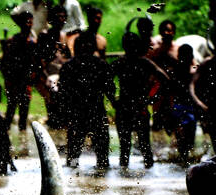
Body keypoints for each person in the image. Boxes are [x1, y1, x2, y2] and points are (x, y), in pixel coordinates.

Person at [113, 31, 166, 168]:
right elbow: (164, 79)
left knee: (131, 147)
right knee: (141, 146)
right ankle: (148, 179)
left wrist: (113, 100)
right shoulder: (140, 63)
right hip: (134, 108)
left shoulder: (135, 63)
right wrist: (152, 98)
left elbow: (104, 82)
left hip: (133, 108)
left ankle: (125, 179)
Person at [60, 39, 112, 169]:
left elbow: (63, 93)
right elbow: (110, 89)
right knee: (103, 161)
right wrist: (115, 104)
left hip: (77, 115)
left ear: (76, 49)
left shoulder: (68, 66)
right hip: (97, 114)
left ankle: (72, 186)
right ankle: (102, 182)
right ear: (93, 49)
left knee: (72, 161)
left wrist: (64, 114)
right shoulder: (101, 65)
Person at [1, 10, 37, 132]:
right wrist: (7, 79)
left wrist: (32, 78)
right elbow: (4, 63)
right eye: (27, 22)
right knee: (10, 111)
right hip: (13, 81)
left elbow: (35, 64)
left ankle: (23, 143)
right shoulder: (12, 41)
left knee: (24, 115)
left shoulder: (32, 43)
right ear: (21, 24)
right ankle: (5, 139)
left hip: (26, 82)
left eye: (31, 22)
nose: (29, 25)